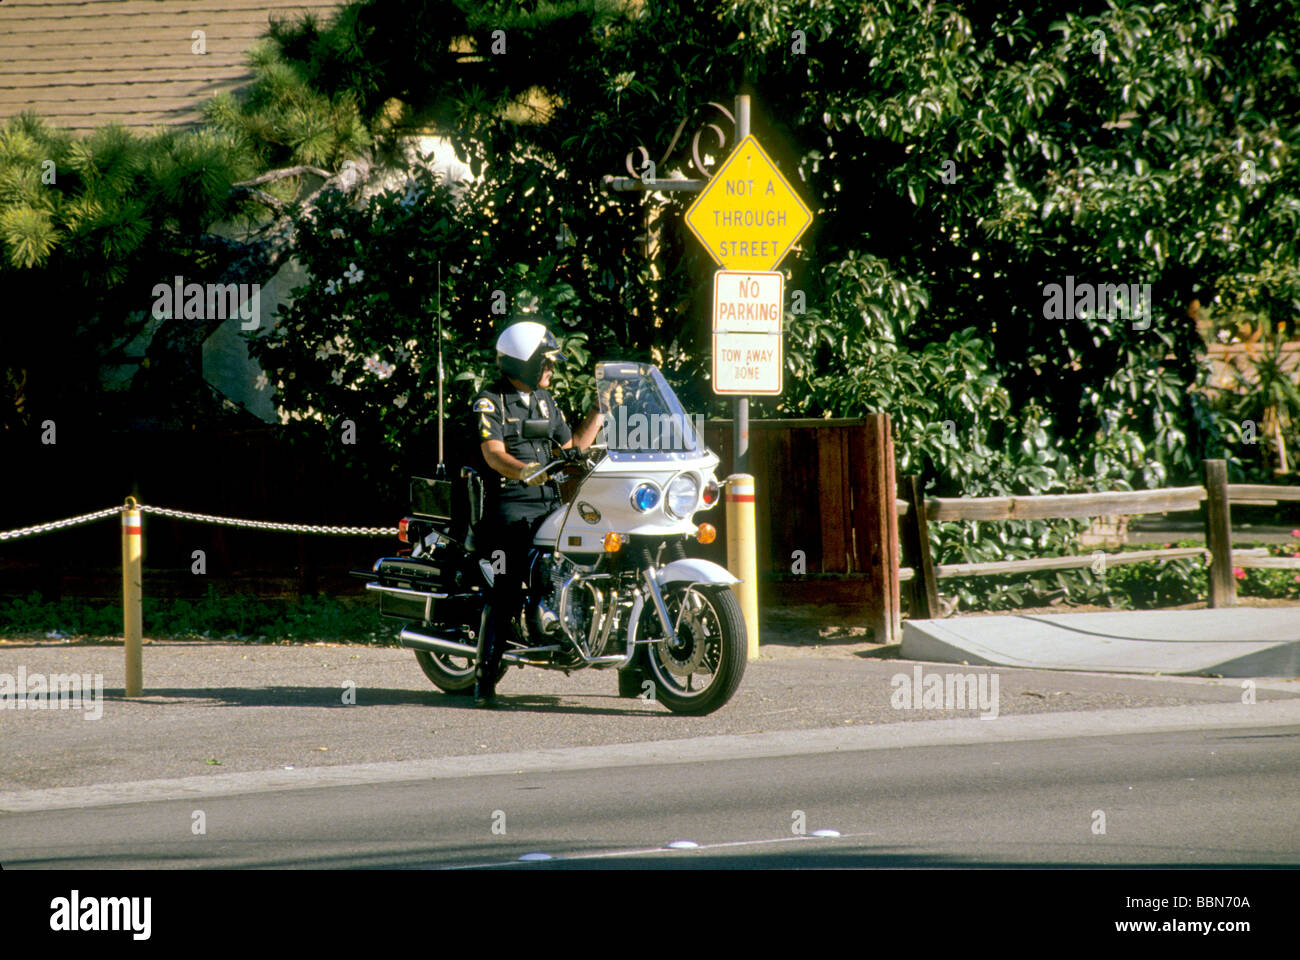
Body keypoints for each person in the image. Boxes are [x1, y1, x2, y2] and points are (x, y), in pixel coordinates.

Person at [470, 319, 601, 706]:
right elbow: (492, 453)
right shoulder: (490, 399)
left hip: (549, 503)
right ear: (523, 362)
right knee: (505, 589)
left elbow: (572, 444)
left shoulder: (545, 401)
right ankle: (484, 678)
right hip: (509, 506)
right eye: (544, 362)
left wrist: (599, 408)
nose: (551, 368)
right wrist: (523, 471)